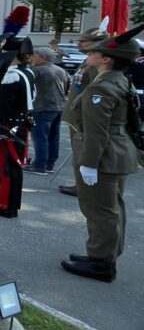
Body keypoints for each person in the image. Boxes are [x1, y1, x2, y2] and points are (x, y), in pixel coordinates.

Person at [60, 26, 142, 282]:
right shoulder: (117, 80)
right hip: (117, 151)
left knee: (100, 210)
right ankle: (104, 254)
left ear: (106, 58)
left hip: (104, 155)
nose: (89, 53)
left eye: (95, 50)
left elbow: (97, 131)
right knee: (112, 207)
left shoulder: (102, 87)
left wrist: (88, 163)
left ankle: (101, 263)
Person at [0, 36, 36, 218]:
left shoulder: (10, 76)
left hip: (7, 128)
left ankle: (3, 205)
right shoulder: (27, 72)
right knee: (14, 167)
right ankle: (10, 205)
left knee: (4, 168)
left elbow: (2, 108)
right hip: (21, 125)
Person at [57, 26, 109, 196]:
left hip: (84, 116)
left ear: (96, 44)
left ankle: (84, 187)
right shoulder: (87, 60)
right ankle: (80, 184)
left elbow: (96, 90)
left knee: (83, 151)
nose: (79, 43)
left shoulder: (96, 65)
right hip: (77, 115)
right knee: (78, 151)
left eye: (83, 41)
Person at [26, 47, 69, 174]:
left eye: (34, 55)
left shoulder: (36, 70)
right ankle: (49, 164)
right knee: (53, 137)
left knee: (40, 138)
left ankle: (40, 165)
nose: (31, 58)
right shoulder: (61, 70)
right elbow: (67, 89)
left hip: (42, 107)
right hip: (59, 107)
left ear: (44, 57)